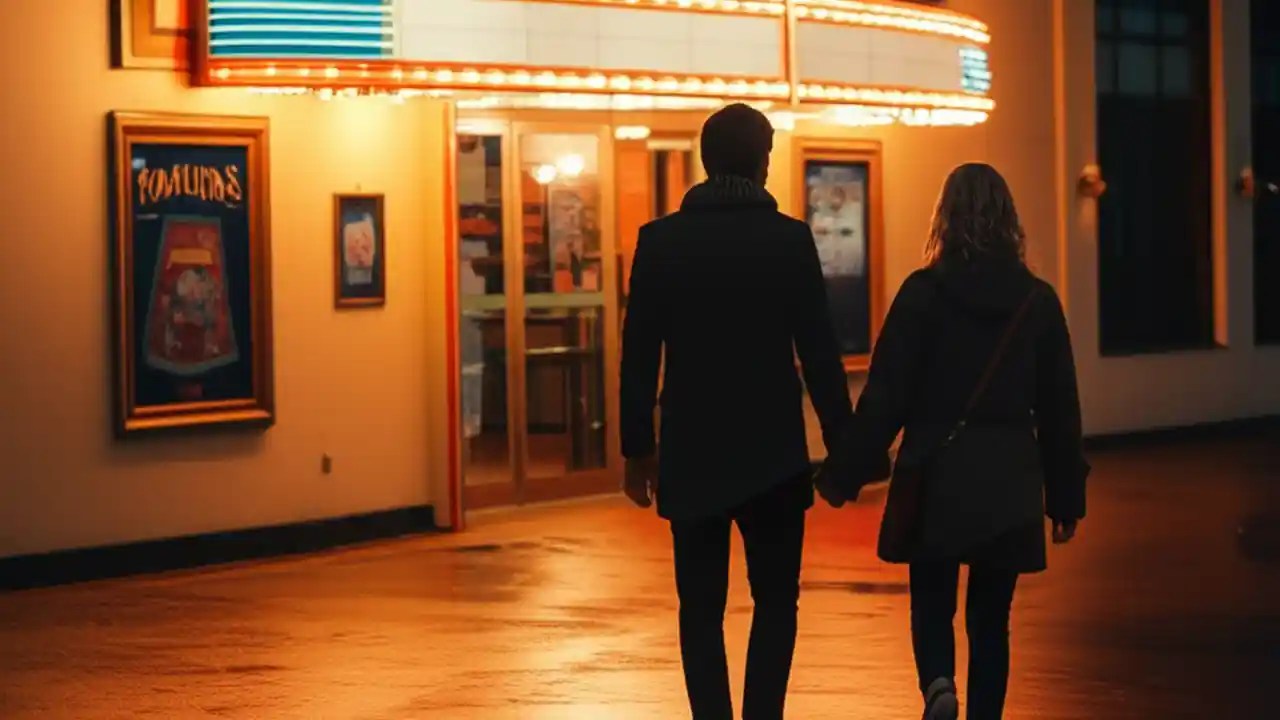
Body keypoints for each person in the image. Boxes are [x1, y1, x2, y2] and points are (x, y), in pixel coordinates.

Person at [818, 163, 1089, 720]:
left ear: (945, 217)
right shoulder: (1036, 302)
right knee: (992, 617)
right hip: (1010, 475)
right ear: (1008, 220)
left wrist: (844, 472)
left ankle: (939, 685)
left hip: (936, 469)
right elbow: (1061, 408)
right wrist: (1065, 498)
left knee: (933, 599)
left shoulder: (923, 293)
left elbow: (886, 394)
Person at [619, 103, 854, 720]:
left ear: (707, 160)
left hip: (692, 454)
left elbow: (639, 353)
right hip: (773, 456)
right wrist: (844, 447)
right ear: (760, 163)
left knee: (700, 610)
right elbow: (820, 353)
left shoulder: (660, 242)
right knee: (776, 603)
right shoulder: (788, 240)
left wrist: (636, 449)